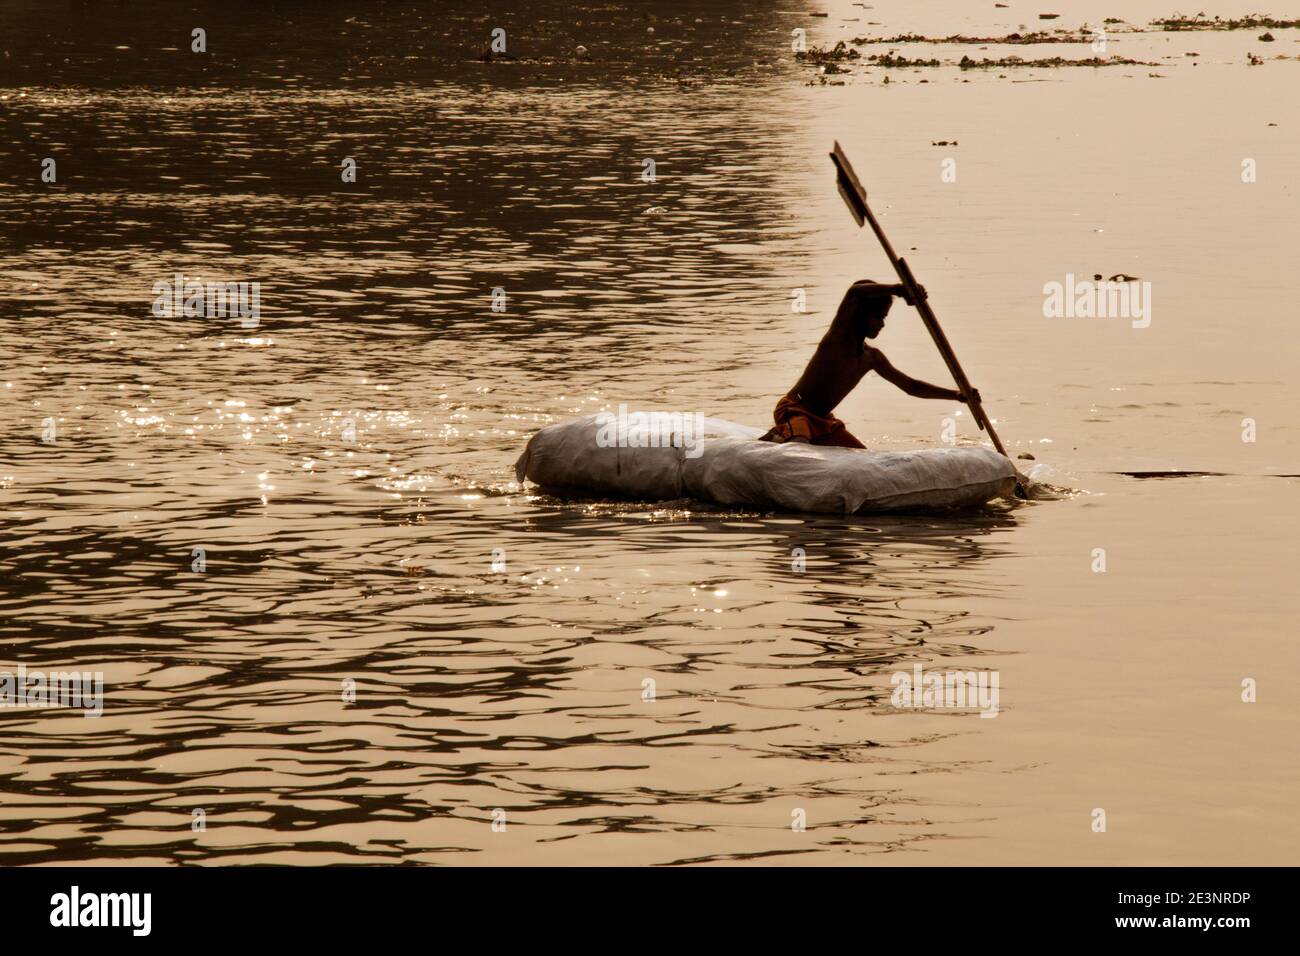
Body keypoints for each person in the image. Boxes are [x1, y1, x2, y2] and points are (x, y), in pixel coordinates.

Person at [759, 280, 979, 448]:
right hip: (795, 410)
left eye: (884, 317)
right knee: (799, 445)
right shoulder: (838, 338)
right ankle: (778, 436)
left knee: (859, 456)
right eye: (877, 317)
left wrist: (959, 395)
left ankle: (781, 436)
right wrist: (897, 289)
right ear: (860, 315)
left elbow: (912, 387)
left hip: (823, 421)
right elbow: (855, 292)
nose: (882, 323)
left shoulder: (872, 358)